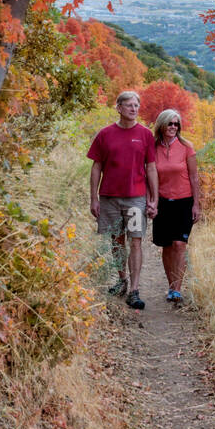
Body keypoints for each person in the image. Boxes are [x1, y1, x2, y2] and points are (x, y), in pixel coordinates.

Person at [88, 91, 158, 310]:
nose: (134, 109)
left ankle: (134, 291)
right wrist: (94, 198)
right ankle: (121, 280)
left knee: (135, 240)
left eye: (136, 105)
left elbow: (151, 167)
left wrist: (154, 199)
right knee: (116, 241)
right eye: (128, 105)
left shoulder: (145, 135)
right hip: (109, 198)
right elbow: (96, 166)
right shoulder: (105, 134)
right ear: (118, 107)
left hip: (136, 199)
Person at [151, 109, 201, 304]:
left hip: (184, 201)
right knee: (167, 246)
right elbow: (149, 175)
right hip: (163, 202)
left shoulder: (186, 146)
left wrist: (196, 204)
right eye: (170, 124)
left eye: (176, 124)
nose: (173, 127)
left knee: (180, 244)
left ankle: (177, 290)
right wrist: (151, 201)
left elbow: (194, 177)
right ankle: (171, 285)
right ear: (161, 125)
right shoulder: (153, 148)